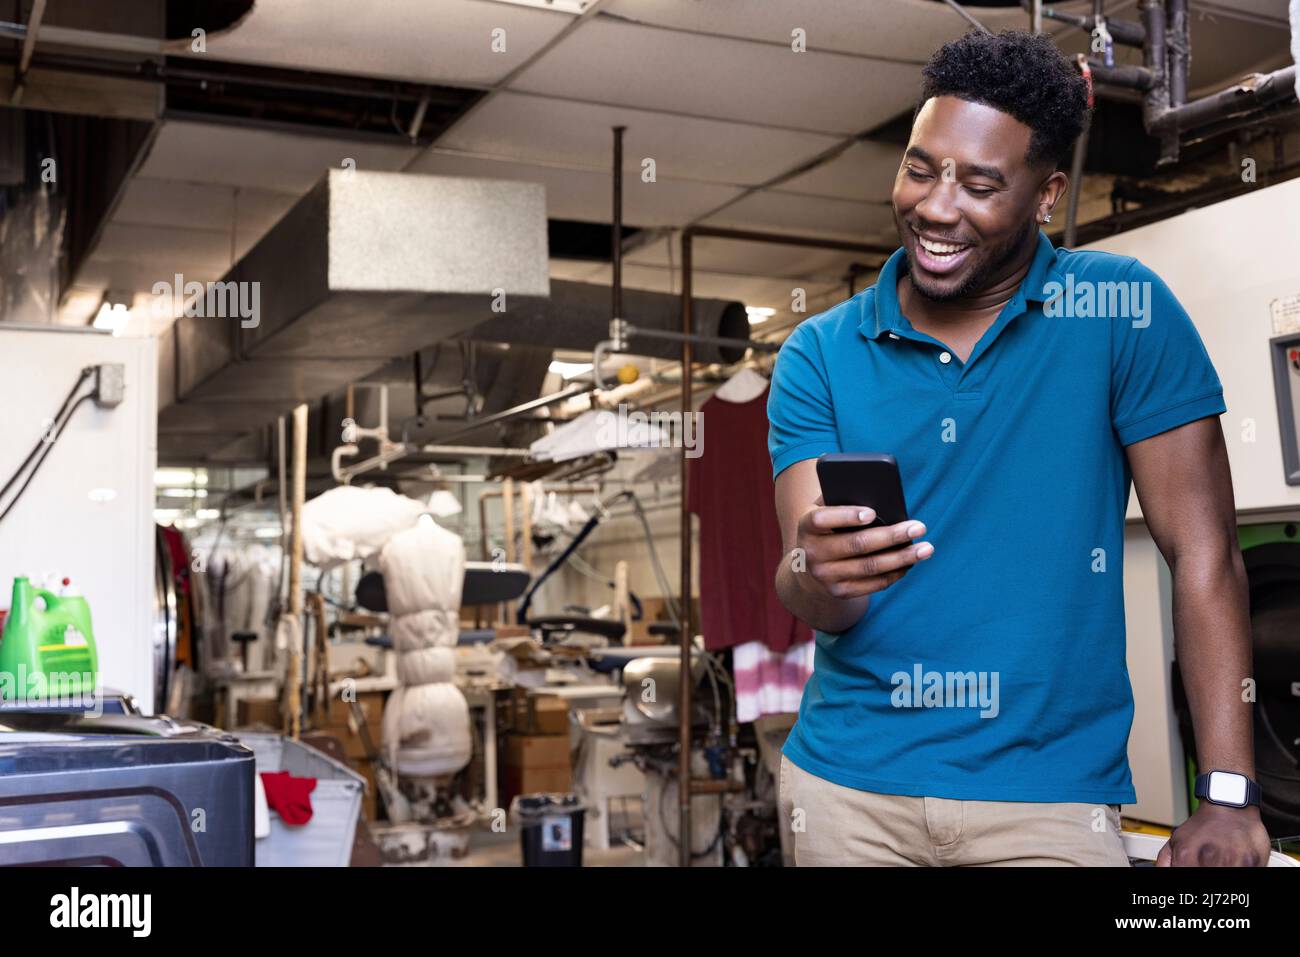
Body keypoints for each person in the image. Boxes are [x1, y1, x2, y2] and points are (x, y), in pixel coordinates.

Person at [768, 29, 1270, 867]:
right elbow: (814, 589)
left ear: (1048, 195)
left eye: (979, 183)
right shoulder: (818, 353)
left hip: (1048, 799)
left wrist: (1227, 791)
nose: (935, 206)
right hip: (848, 793)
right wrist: (817, 570)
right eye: (921, 168)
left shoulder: (1120, 313)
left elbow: (1207, 555)